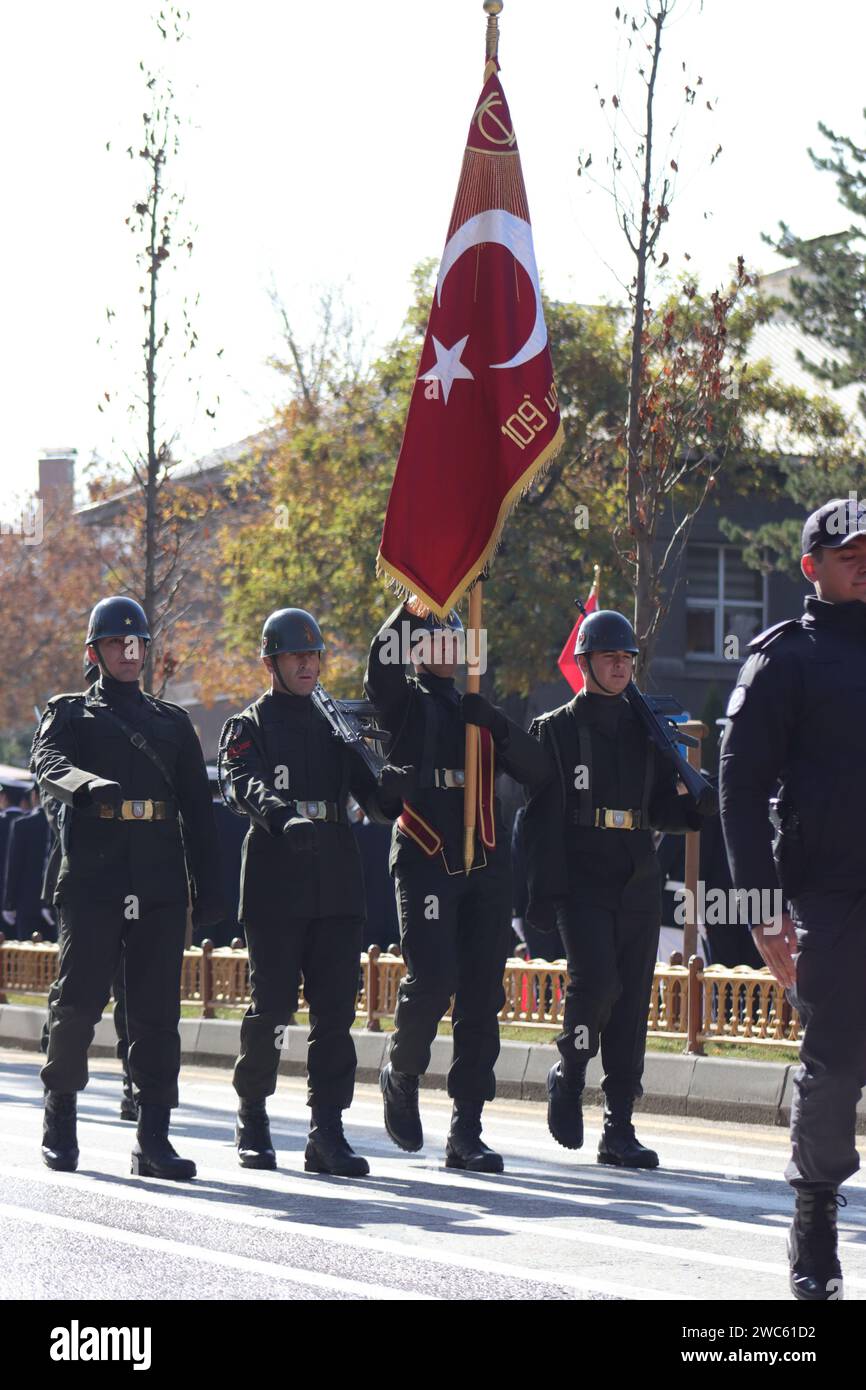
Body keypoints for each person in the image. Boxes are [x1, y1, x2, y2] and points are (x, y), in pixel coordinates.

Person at [719, 498, 866, 1301]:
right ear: (812, 565)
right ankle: (815, 1230)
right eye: (850, 553)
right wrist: (758, 910)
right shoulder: (785, 660)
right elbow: (737, 791)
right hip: (830, 898)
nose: (865, 562)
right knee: (836, 1067)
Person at [31, 595, 224, 1178]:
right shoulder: (71, 714)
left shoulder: (172, 723)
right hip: (95, 876)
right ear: (94, 652)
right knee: (79, 1003)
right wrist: (84, 785)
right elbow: (46, 761)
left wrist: (210, 891)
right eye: (116, 643)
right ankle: (60, 1111)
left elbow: (197, 810)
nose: (128, 651)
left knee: (156, 1011)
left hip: (159, 878)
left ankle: (153, 1139)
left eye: (135, 642)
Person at [364, 598, 550, 1171]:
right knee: (433, 978)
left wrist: (491, 721)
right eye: (434, 639)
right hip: (427, 852)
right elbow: (379, 666)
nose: (447, 648)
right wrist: (411, 610)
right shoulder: (403, 702)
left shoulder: (477, 707)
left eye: (454, 638)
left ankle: (466, 1127)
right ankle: (402, 1072)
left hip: (485, 861)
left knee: (481, 994)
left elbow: (540, 771)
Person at [525, 610, 711, 1168]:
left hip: (636, 875)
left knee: (631, 1000)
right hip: (581, 877)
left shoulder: (645, 729)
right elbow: (536, 820)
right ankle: (571, 1071)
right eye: (609, 657)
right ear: (583, 662)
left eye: (627, 658)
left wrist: (692, 808)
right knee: (597, 985)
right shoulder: (555, 729)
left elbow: (656, 809)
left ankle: (619, 1125)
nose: (619, 666)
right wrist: (540, 891)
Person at [219, 607, 395, 1178]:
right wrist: (279, 815)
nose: (308, 665)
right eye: (297, 656)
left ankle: (328, 1131)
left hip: (336, 878)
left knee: (335, 1014)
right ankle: (253, 1115)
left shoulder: (336, 721)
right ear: (271, 661)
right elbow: (240, 782)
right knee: (271, 1010)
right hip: (276, 878)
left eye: (314, 655)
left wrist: (394, 782)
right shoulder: (249, 724)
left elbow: (374, 795)